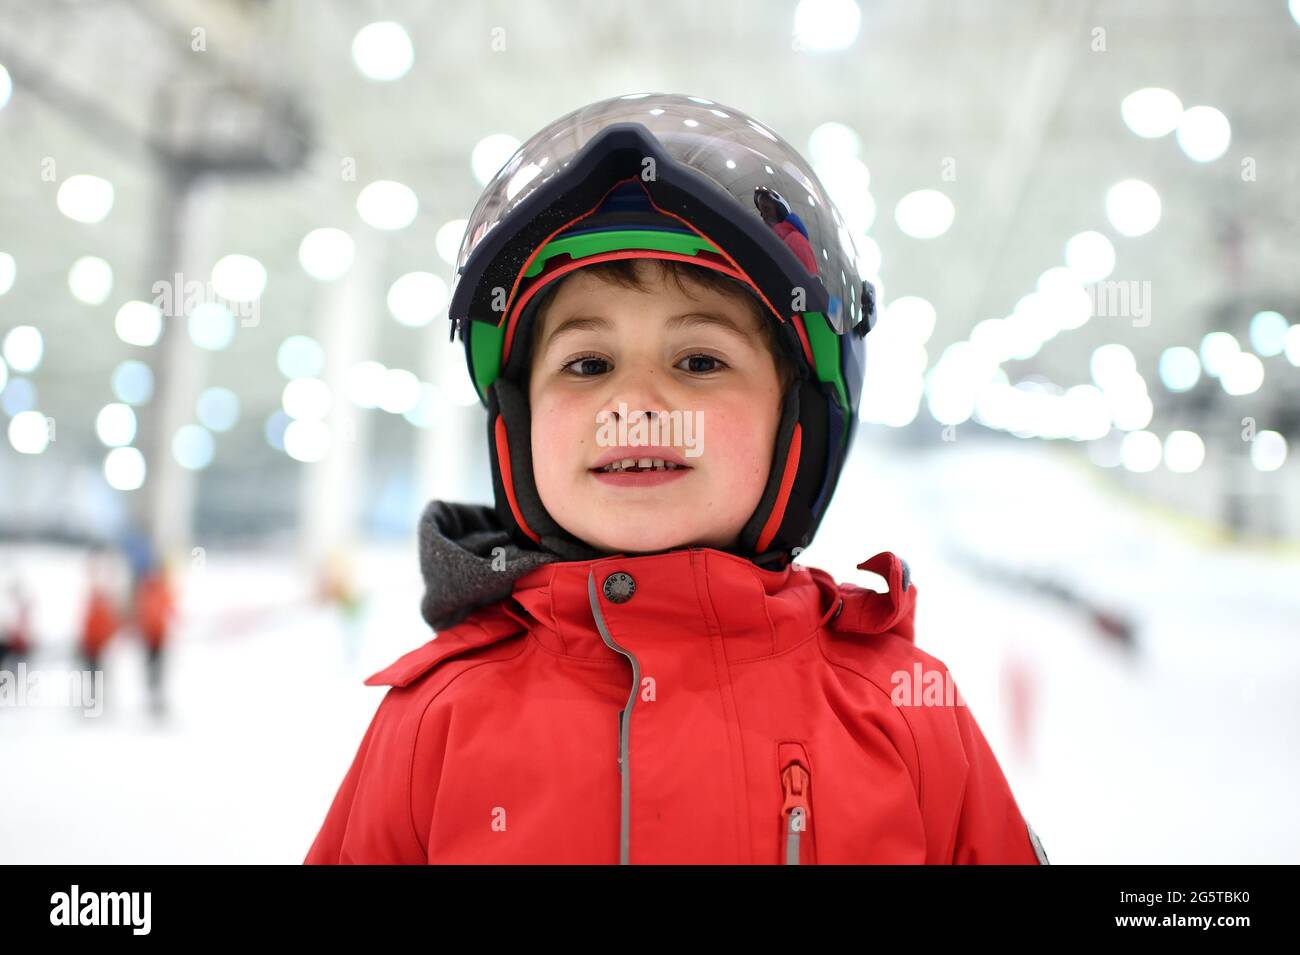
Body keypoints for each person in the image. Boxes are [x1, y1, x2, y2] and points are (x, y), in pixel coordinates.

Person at [305, 93, 1048, 865]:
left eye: (700, 361)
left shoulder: (907, 711)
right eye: (587, 365)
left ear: (797, 420)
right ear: (521, 423)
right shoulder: (433, 721)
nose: (633, 404)